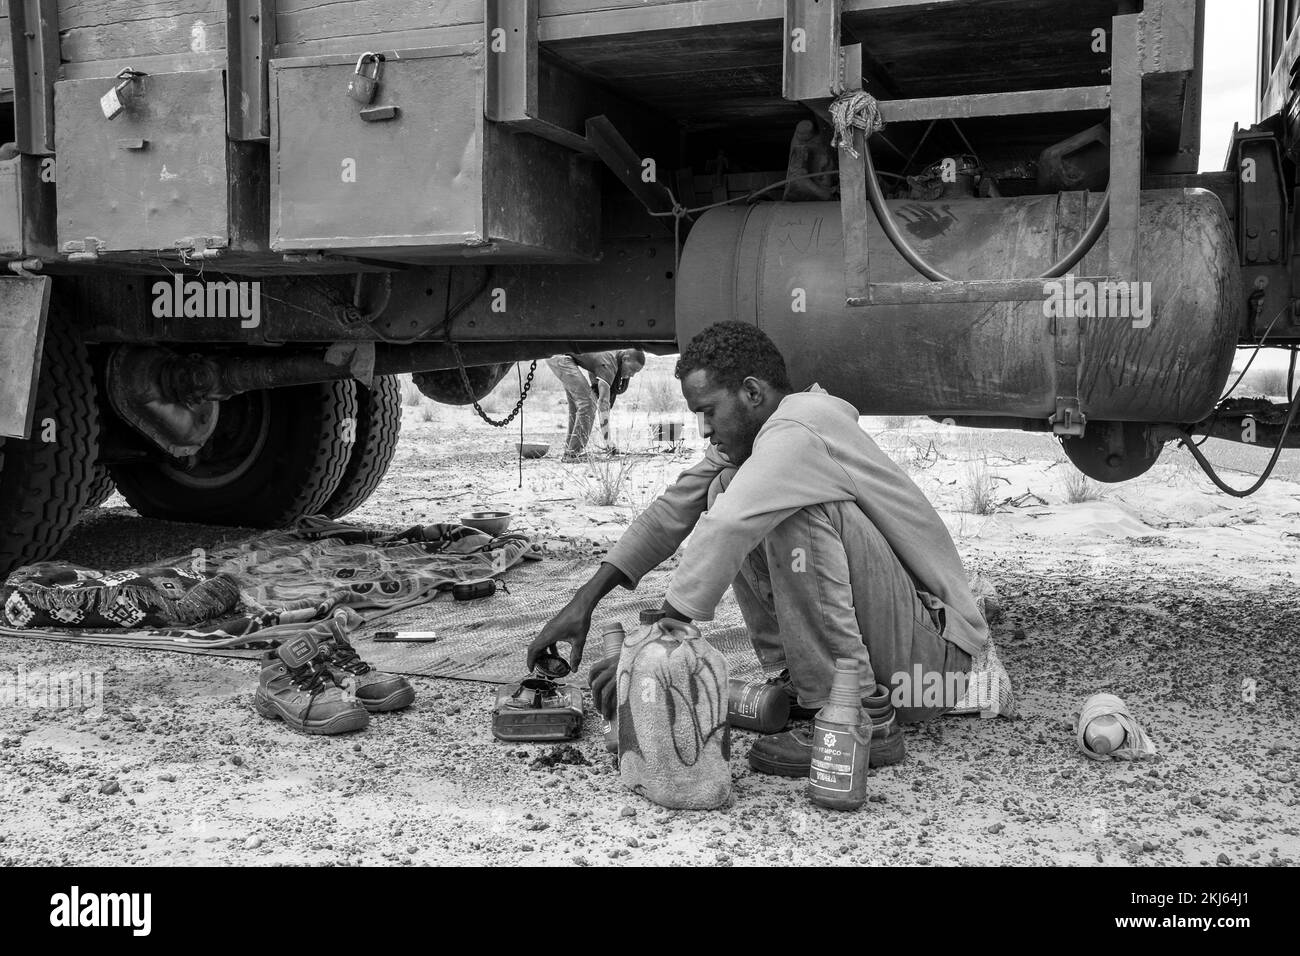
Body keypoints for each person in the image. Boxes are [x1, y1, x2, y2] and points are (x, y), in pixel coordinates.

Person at [526, 322, 987, 775]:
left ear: (751, 392)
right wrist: (582, 603)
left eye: (708, 411)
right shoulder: (757, 443)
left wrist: (652, 647)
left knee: (784, 509)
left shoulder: (800, 429)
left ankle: (855, 718)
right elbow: (671, 512)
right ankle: (804, 685)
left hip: (931, 669)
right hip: (904, 659)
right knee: (723, 487)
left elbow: (727, 526)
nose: (705, 429)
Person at [546, 350, 646, 462]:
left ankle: (570, 450)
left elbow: (599, 394)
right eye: (632, 369)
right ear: (625, 359)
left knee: (578, 406)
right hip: (560, 356)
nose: (632, 375)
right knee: (588, 404)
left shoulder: (609, 361)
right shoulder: (609, 364)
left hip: (559, 355)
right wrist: (608, 441)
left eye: (636, 372)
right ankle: (573, 454)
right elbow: (603, 403)